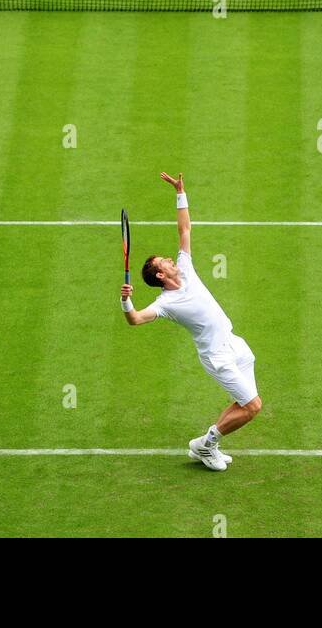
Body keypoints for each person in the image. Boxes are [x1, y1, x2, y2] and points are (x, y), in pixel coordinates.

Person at [120, 173, 261, 472]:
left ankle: (207, 444)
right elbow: (134, 320)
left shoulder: (185, 266)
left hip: (235, 344)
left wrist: (180, 192)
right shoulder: (165, 304)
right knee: (252, 407)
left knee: (243, 404)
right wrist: (126, 300)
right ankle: (206, 444)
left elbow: (185, 228)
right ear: (160, 275)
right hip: (217, 356)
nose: (172, 260)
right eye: (164, 263)